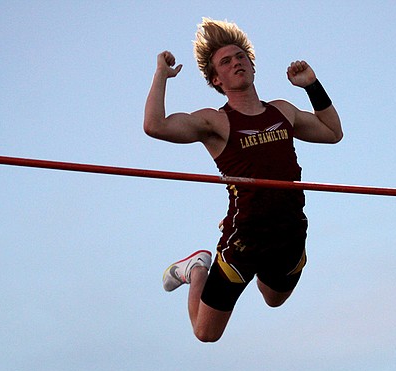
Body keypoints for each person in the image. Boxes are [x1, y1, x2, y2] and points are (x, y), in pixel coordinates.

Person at [144, 18, 343, 342]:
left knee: (274, 299)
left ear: (252, 66)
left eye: (241, 57)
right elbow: (155, 125)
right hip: (244, 239)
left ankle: (259, 271)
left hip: (289, 231)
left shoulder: (283, 111)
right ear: (215, 79)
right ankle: (196, 269)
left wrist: (311, 85)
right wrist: (161, 75)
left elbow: (333, 132)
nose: (236, 62)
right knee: (206, 333)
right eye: (226, 61)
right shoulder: (216, 121)